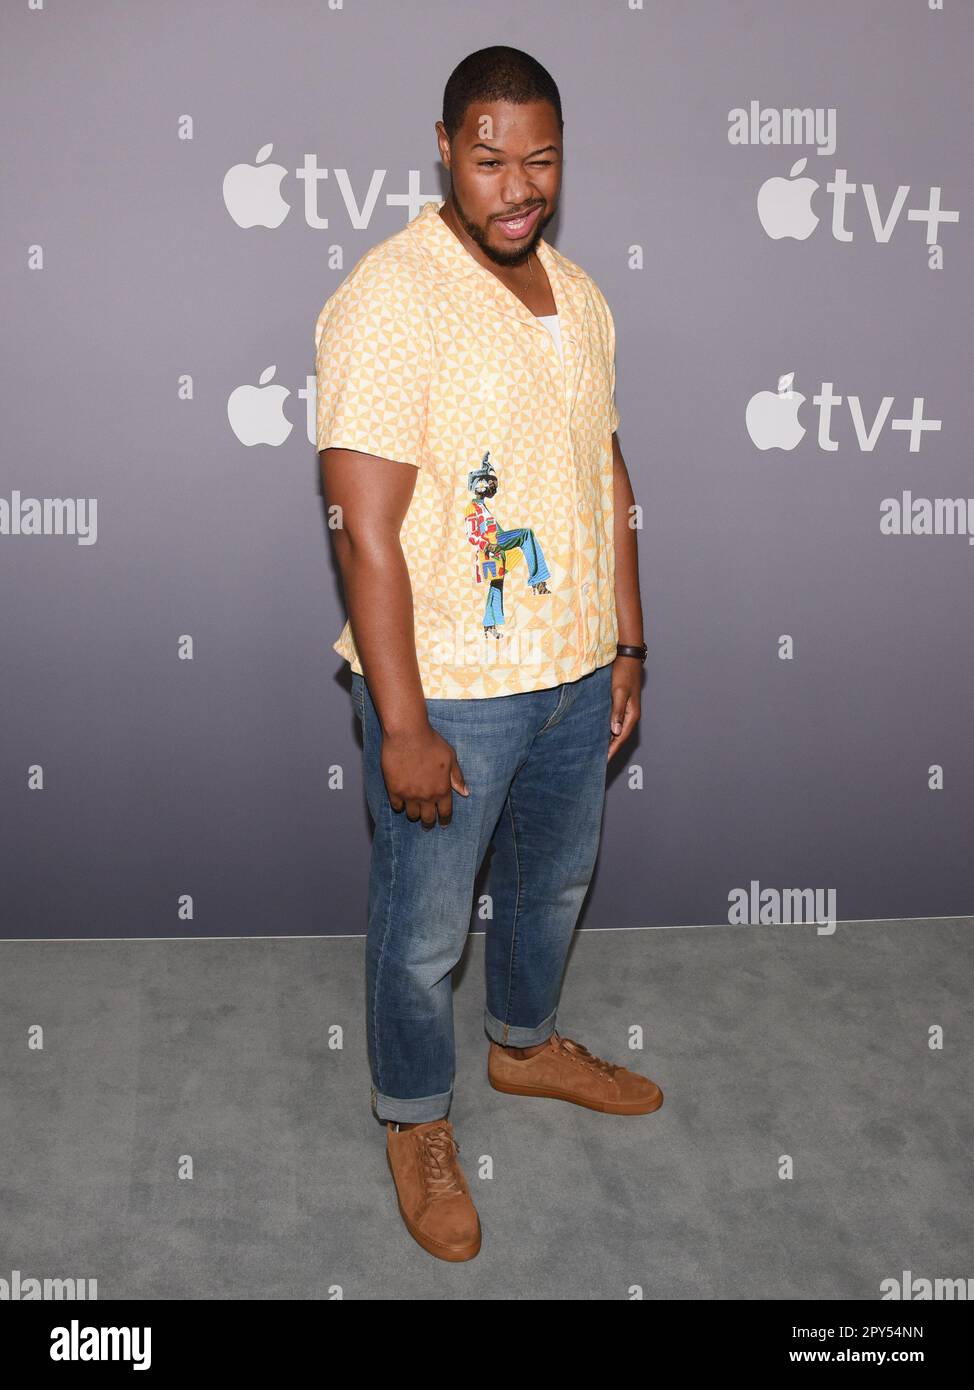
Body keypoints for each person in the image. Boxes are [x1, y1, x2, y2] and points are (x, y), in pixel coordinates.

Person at [315, 45, 662, 1263]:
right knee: (421, 934)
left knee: (554, 882)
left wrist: (624, 636)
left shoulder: (579, 293)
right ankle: (413, 1119)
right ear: (445, 147)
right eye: (488, 155)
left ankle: (522, 1045)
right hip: (452, 690)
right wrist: (402, 724)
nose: (516, 185)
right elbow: (362, 527)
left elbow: (602, 471)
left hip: (574, 675)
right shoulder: (389, 296)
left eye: (540, 158)